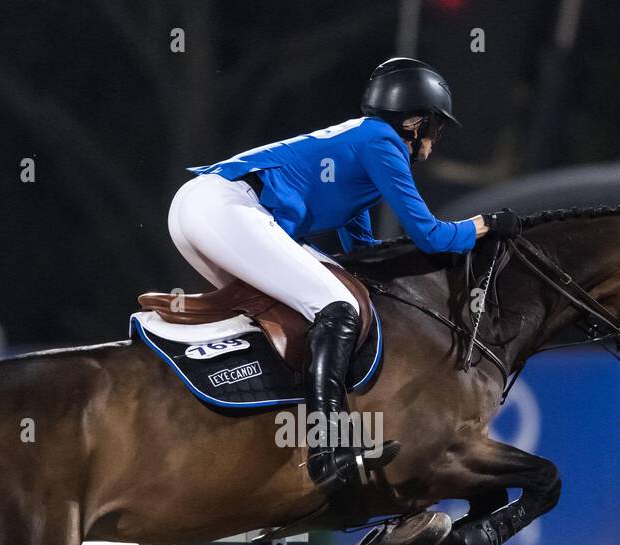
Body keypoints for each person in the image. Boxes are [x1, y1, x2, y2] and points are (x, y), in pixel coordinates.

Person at [171, 57, 521, 494]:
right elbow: (431, 235)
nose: (437, 137)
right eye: (436, 126)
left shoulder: (364, 141)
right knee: (336, 305)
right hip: (225, 209)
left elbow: (360, 252)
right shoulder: (383, 143)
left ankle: (256, 424)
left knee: (296, 308)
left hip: (200, 209)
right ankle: (327, 449)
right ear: (414, 122)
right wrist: (485, 224)